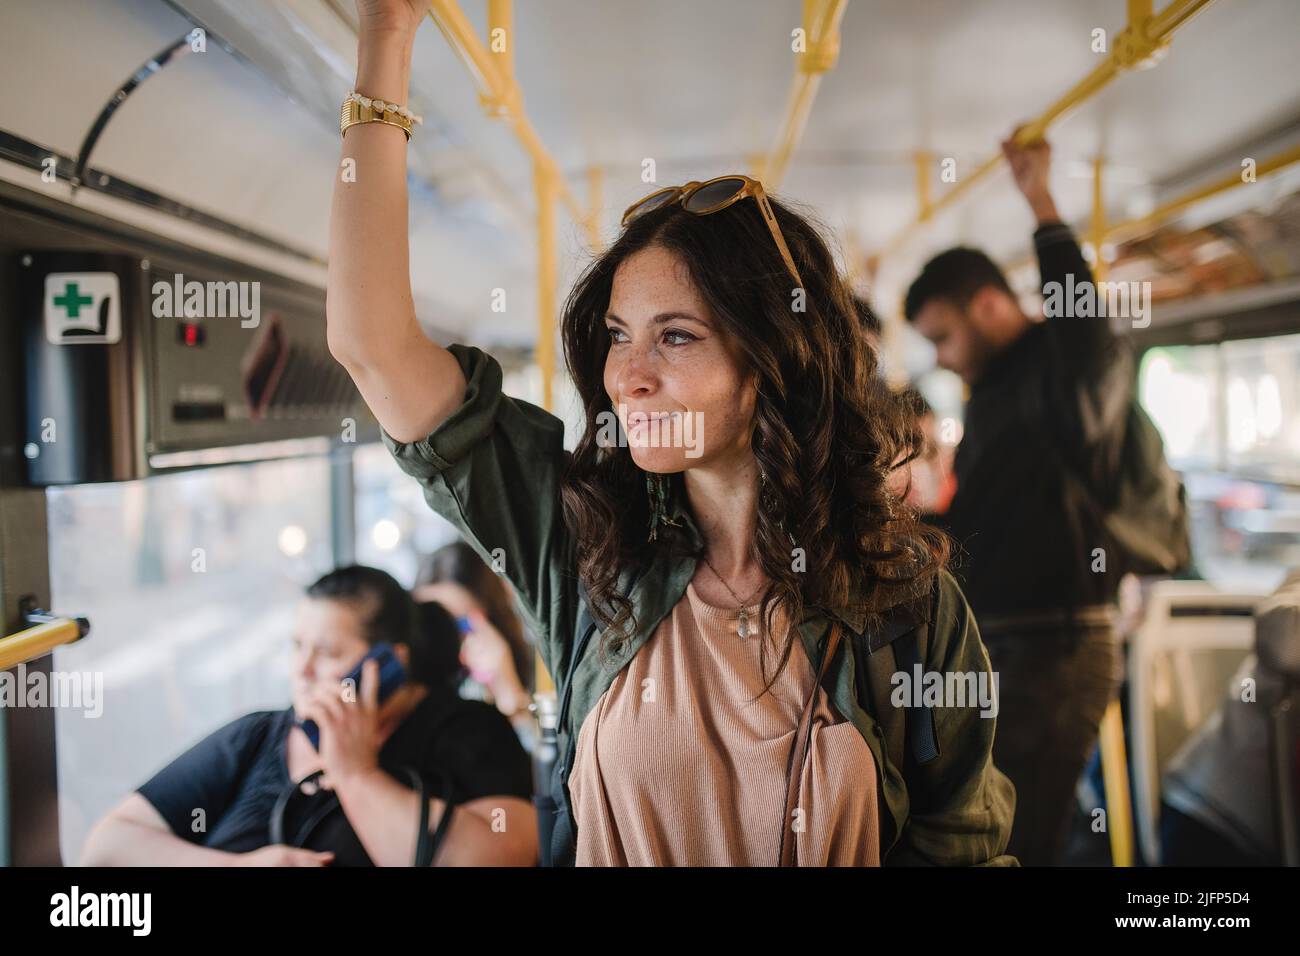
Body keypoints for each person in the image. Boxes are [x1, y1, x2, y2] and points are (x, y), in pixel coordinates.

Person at [325, 0, 1015, 867]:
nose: (628, 376)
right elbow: (371, 344)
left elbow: (966, 850)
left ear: (772, 360)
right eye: (618, 335)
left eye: (675, 337)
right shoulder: (584, 545)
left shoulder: (906, 603)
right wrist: (385, 39)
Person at [903, 133, 1130, 865]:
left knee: (1024, 833)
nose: (938, 356)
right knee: (985, 822)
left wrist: (1042, 203)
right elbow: (980, 521)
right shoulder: (993, 396)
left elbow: (1087, 332)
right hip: (1006, 637)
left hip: (1056, 644)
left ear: (992, 306)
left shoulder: (1062, 375)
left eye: (942, 335)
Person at [81, 566, 537, 866]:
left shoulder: (468, 731)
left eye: (328, 653)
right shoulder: (256, 736)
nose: (301, 670)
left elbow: (499, 857)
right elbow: (107, 849)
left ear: (388, 662)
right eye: (297, 646)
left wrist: (357, 775)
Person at [414, 541, 536, 745]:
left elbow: (538, 769)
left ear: (491, 621)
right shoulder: (410, 681)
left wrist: (508, 690)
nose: (445, 637)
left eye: (460, 624)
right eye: (433, 621)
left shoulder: (534, 670)